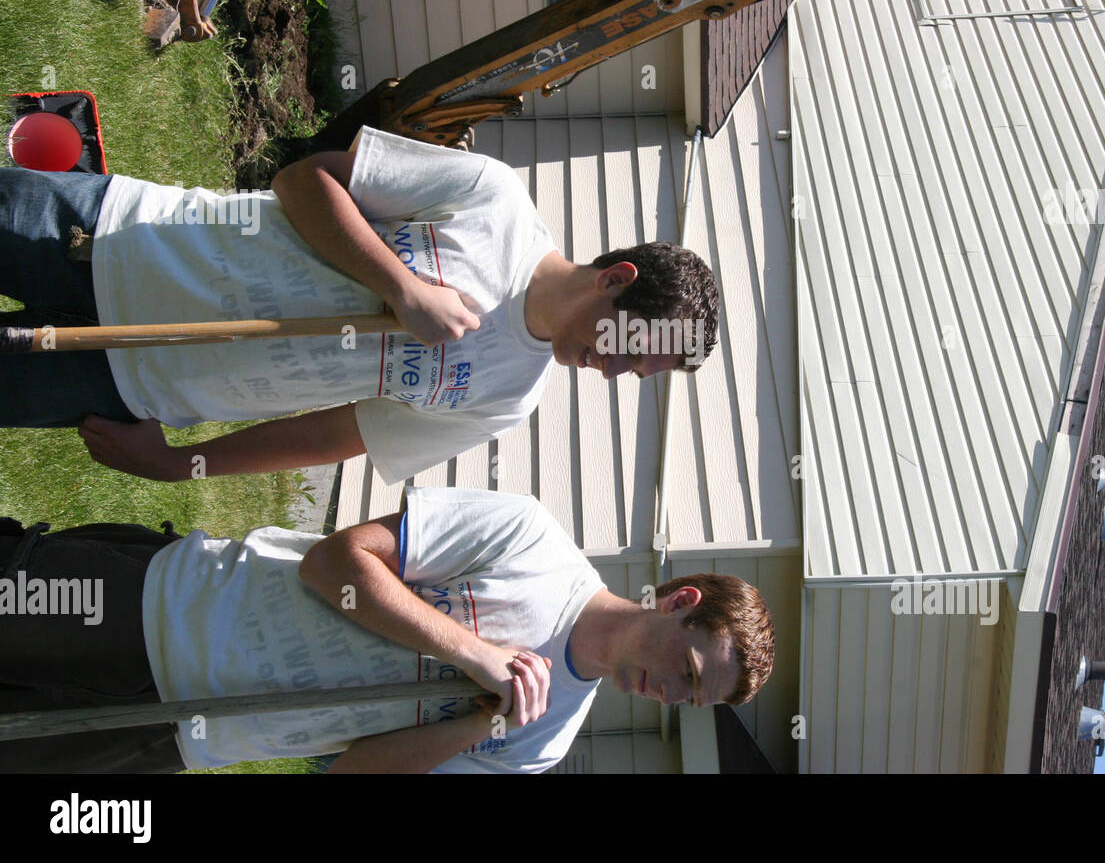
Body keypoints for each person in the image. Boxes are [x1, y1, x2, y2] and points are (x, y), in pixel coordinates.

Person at [0, 126, 719, 483]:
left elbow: (337, 436)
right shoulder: (492, 198)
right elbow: (302, 180)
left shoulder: (508, 397)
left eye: (636, 373)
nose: (614, 371)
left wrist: (183, 464)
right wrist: (400, 289)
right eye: (631, 349)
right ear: (618, 279)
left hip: (128, 382)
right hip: (118, 240)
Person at [0, 488, 774, 773]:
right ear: (680, 601)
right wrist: (472, 654)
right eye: (690, 671)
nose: (671, 694)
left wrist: (480, 725)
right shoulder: (532, 541)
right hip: (169, 606)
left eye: (689, 699)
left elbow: (350, 774)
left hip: (185, 738)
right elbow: (331, 563)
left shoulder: (544, 741)